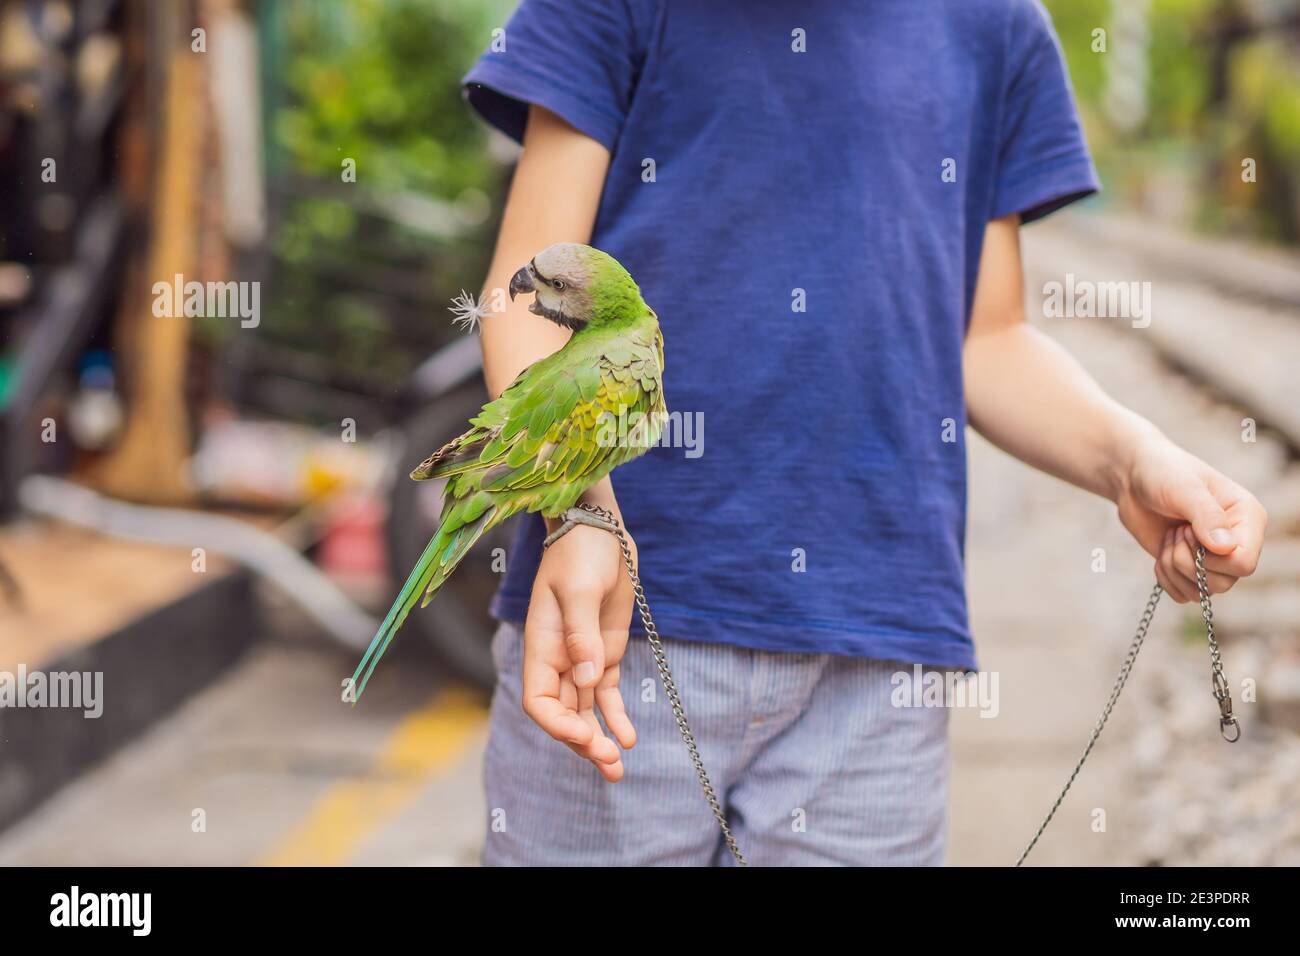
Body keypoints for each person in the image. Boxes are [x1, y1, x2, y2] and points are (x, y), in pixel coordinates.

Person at [459, 0, 1268, 865]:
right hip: (618, 631)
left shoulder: (994, 26)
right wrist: (582, 514)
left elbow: (984, 337)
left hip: (882, 663)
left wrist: (1133, 461)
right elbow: (528, 298)